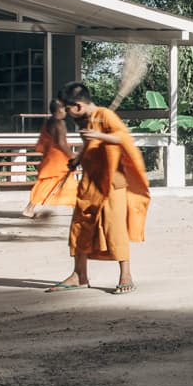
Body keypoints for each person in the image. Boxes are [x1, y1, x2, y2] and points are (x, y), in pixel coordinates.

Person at [49, 81, 150, 295]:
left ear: (77, 106)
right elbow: (90, 146)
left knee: (114, 228)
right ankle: (79, 275)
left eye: (68, 109)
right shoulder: (88, 120)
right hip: (90, 182)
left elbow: (124, 138)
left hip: (112, 181)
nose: (68, 114)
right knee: (80, 225)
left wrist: (99, 136)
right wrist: (78, 158)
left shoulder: (105, 115)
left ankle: (126, 275)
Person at [23, 97, 80, 218]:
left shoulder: (49, 122)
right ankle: (29, 208)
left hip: (51, 156)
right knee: (50, 182)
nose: (66, 111)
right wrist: (71, 155)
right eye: (65, 109)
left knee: (65, 182)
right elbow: (61, 142)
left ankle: (78, 207)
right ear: (59, 110)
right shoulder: (60, 123)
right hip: (58, 157)